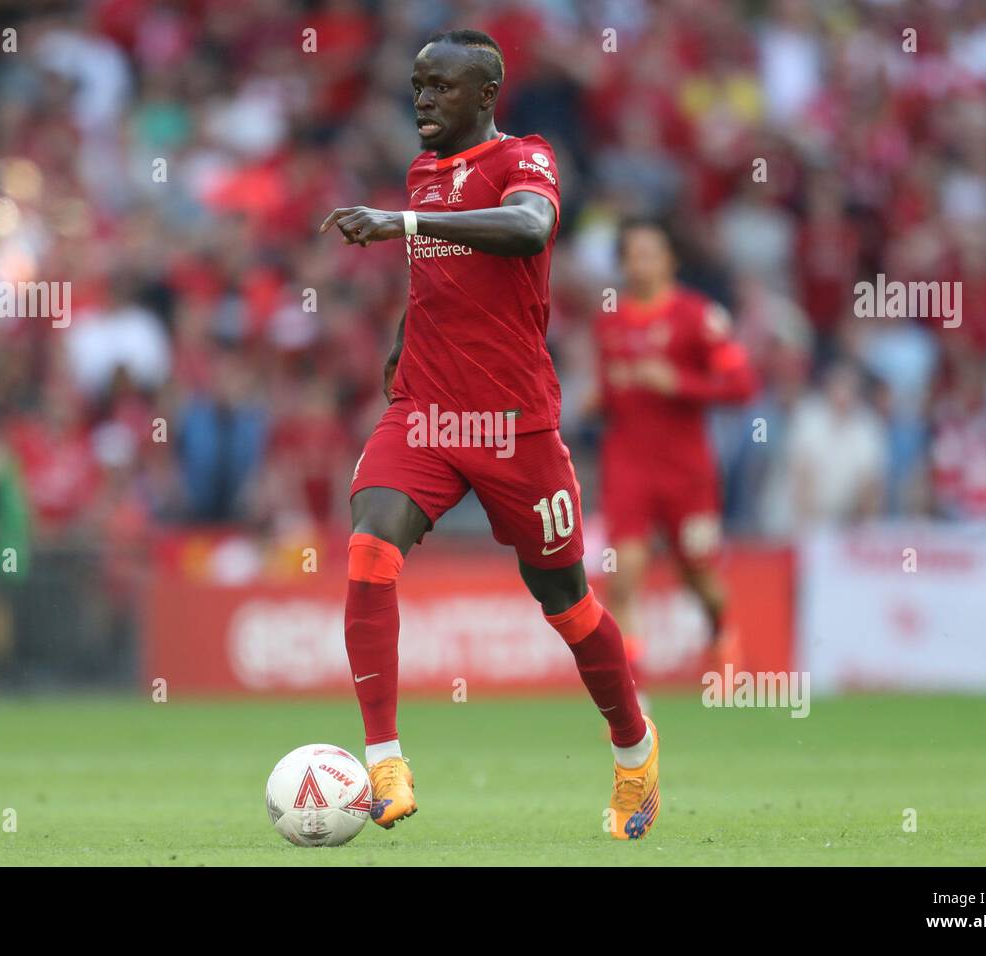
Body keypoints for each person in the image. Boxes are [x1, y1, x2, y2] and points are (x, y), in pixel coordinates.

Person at [320, 30, 659, 840]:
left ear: (485, 95)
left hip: (515, 422)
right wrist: (404, 340)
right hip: (429, 412)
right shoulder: (421, 175)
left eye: (441, 87)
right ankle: (386, 762)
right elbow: (440, 274)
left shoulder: (526, 159)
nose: (423, 100)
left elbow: (527, 230)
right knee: (371, 546)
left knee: (568, 605)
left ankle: (635, 752)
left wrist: (400, 224)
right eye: (417, 86)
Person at [593, 218, 757, 687]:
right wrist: (597, 401)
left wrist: (679, 383)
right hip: (627, 464)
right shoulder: (608, 321)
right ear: (622, 264)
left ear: (671, 260)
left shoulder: (699, 316)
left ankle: (721, 630)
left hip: (687, 470)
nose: (641, 263)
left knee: (697, 573)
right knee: (624, 577)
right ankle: (631, 684)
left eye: (651, 253)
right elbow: (612, 394)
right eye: (632, 255)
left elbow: (743, 386)